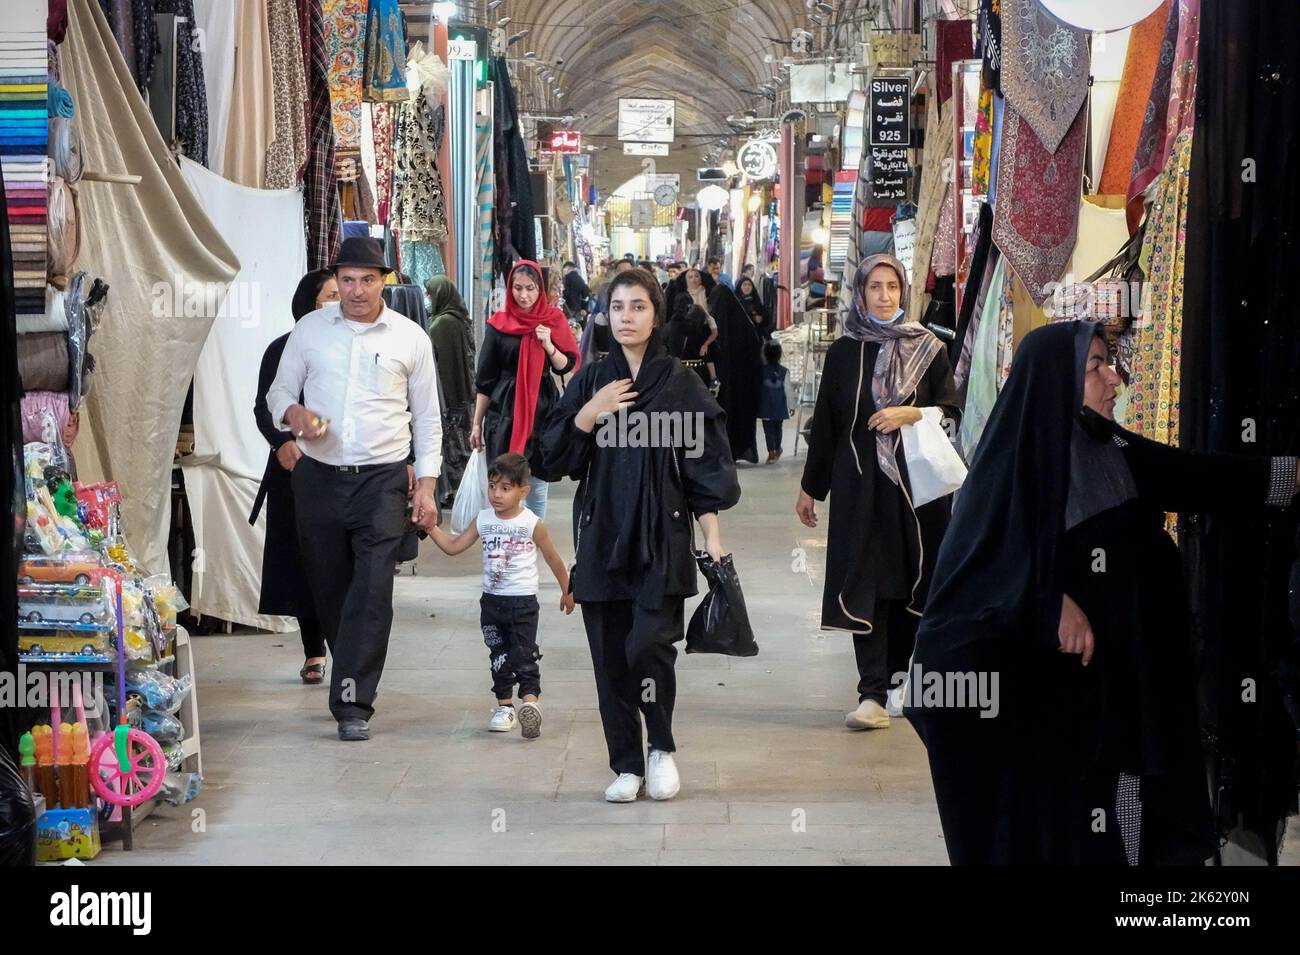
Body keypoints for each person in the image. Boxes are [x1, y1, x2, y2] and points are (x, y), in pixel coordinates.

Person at [905, 321, 1300, 865]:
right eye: (1095, 368)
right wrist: (1047, 603)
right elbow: (962, 607)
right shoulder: (1014, 473)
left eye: (1109, 364)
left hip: (1136, 692)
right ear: (1055, 380)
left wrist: (1291, 478)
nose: (1115, 379)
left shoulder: (1109, 447)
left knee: (1137, 825)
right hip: (1076, 718)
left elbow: (1199, 476)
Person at [542, 267, 741, 803]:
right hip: (602, 534)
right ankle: (626, 762)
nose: (627, 317)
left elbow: (704, 465)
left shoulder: (679, 381)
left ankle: (661, 748)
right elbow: (552, 456)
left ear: (655, 314)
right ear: (605, 314)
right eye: (619, 307)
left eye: (639, 307)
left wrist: (713, 536)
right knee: (609, 657)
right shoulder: (591, 379)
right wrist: (589, 413)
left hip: (662, 536)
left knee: (650, 646)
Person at [266, 237, 443, 742]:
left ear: (384, 280)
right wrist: (293, 414)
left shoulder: (410, 338)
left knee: (372, 590)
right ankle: (351, 668)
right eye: (347, 279)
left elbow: (428, 418)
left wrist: (426, 486)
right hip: (319, 480)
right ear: (336, 280)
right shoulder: (310, 331)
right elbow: (278, 391)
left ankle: (353, 702)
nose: (356, 290)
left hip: (383, 481)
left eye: (367, 279)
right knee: (331, 590)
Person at [796, 254, 959, 730]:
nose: (884, 296)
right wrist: (811, 488)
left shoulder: (930, 348)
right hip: (858, 487)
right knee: (862, 576)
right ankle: (870, 691)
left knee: (909, 578)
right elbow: (825, 425)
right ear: (861, 293)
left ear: (903, 292)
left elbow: (952, 414)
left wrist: (911, 413)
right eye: (875, 288)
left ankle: (898, 681)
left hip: (915, 491)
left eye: (892, 287)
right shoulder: (845, 352)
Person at [426, 452, 575, 739]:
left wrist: (567, 590)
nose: (496, 494)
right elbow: (454, 547)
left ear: (523, 491)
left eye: (505, 488)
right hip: (491, 603)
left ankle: (530, 702)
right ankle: (504, 707)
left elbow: (553, 558)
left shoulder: (531, 523)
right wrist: (430, 527)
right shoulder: (483, 520)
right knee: (499, 656)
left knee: (524, 655)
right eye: (492, 486)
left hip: (522, 604)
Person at [252, 268, 339, 685]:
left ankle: (349, 649)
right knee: (305, 562)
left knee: (341, 561)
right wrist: (279, 442)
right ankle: (313, 650)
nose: (339, 300)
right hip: (294, 474)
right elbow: (264, 407)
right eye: (330, 295)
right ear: (310, 302)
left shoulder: (350, 346)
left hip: (342, 471)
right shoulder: (281, 349)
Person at [472, 260, 580, 519]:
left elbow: (566, 367)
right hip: (504, 412)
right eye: (517, 288)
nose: (523, 295)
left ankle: (529, 544)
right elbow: (485, 381)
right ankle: (505, 545)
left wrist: (548, 345)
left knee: (537, 485)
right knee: (503, 483)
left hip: (541, 411)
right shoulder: (498, 324)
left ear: (540, 289)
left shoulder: (552, 320)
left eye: (530, 288)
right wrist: (476, 423)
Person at [426, 276, 476, 509]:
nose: (428, 299)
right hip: (466, 391)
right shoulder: (461, 317)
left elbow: (438, 364)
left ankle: (454, 493)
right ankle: (462, 491)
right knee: (462, 443)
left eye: (430, 294)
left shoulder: (440, 325)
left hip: (448, 394)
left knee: (451, 445)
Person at [664, 304, 718, 392]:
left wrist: (706, 344)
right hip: (692, 370)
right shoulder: (693, 330)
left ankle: (714, 379)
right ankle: (714, 379)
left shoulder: (675, 327)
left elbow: (714, 333)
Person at [758, 340, 793, 463]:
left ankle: (771, 452)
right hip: (780, 406)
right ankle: (777, 448)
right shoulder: (784, 371)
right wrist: (791, 406)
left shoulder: (761, 371)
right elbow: (788, 390)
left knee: (768, 430)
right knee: (779, 428)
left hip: (765, 406)